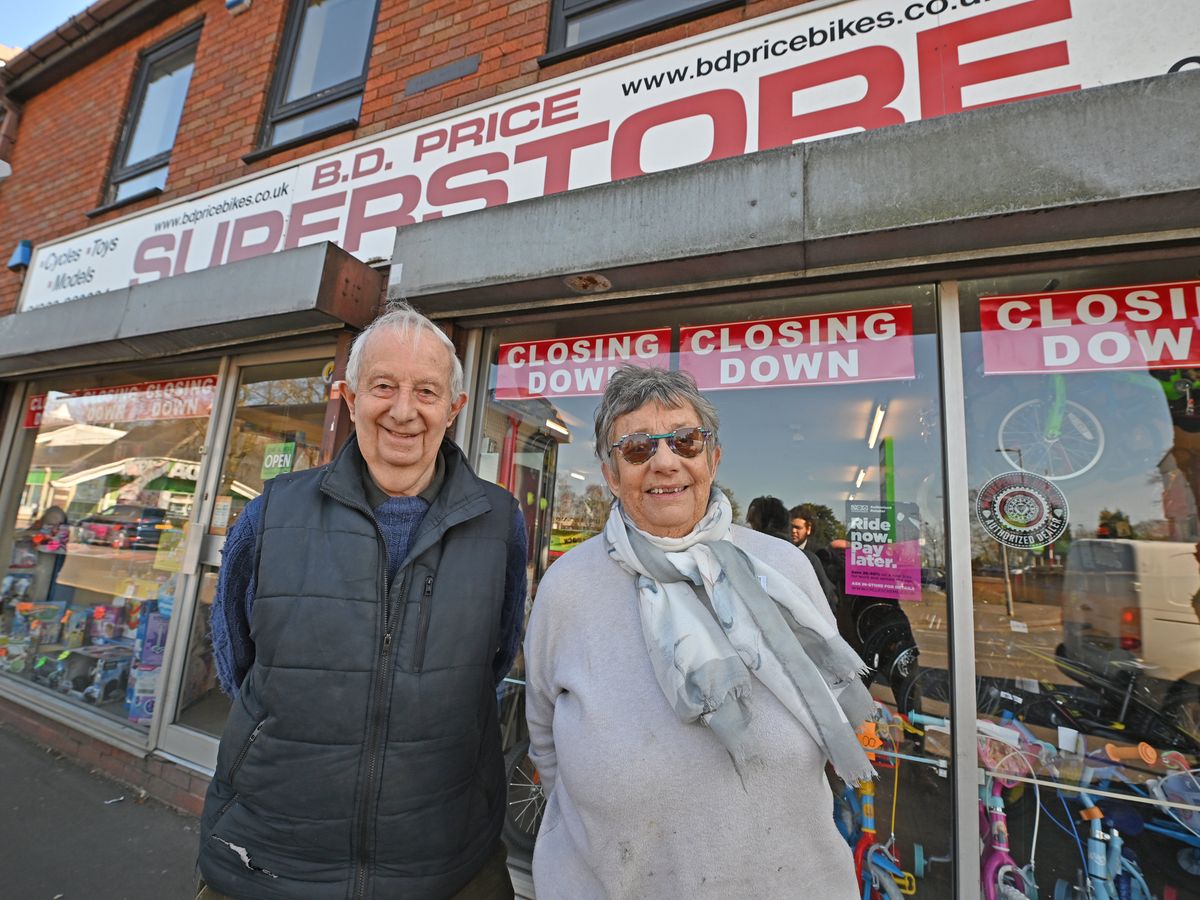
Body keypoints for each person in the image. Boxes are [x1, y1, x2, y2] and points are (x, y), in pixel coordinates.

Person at [197, 303, 528, 900]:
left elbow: (496, 659)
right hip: (269, 858)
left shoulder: (500, 521)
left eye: (427, 391)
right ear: (350, 398)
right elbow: (235, 661)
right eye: (383, 386)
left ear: (453, 410)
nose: (404, 410)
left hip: (447, 862)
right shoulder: (272, 511)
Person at [523, 366, 873, 899]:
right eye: (637, 448)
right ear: (611, 475)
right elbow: (543, 739)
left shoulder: (783, 569)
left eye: (685, 440)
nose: (665, 461)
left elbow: (825, 701)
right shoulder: (567, 587)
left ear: (713, 458)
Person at [750, 496, 838, 612]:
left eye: (798, 527)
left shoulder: (816, 556)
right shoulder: (755, 555)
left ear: (808, 529)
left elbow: (825, 598)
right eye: (791, 527)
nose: (793, 531)